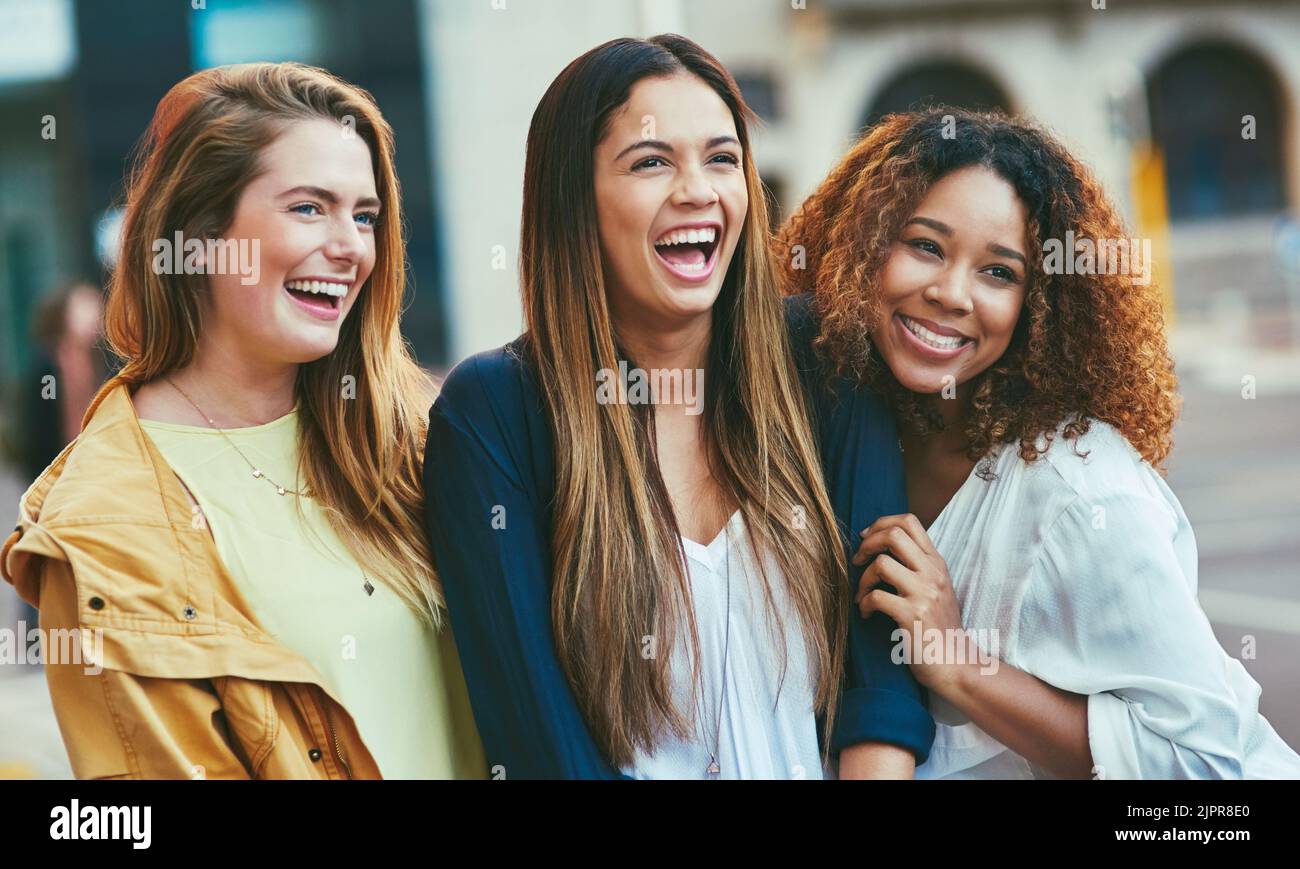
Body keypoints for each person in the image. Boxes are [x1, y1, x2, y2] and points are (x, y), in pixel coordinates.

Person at [424, 35, 933, 780]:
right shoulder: (495, 413)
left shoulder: (825, 358)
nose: (699, 189)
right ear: (575, 201)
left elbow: (880, 681)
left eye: (722, 158)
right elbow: (539, 743)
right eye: (651, 161)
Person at [777, 107, 1300, 779]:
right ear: (861, 248)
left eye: (998, 272)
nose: (951, 293)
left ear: (1040, 302)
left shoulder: (1080, 488)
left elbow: (1208, 763)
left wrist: (961, 665)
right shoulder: (833, 416)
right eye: (926, 246)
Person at [1, 62, 484, 779]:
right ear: (200, 236)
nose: (351, 245)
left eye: (364, 215)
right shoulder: (102, 530)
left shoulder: (416, 437)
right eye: (308, 208)